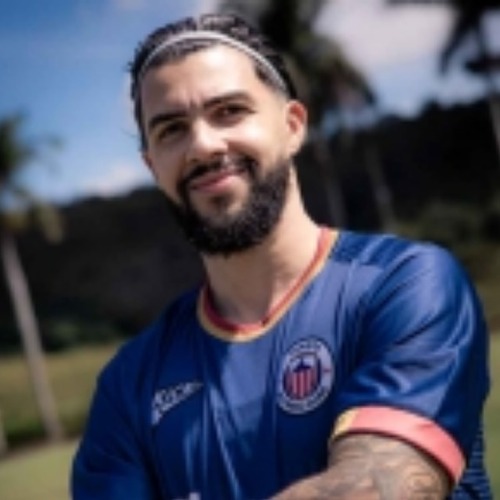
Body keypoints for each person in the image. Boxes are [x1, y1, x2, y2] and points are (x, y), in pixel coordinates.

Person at [71, 12, 491, 500]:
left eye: (229, 111)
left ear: (292, 126)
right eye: (171, 130)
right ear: (152, 166)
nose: (202, 144)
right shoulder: (129, 385)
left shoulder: (405, 285)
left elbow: (378, 485)